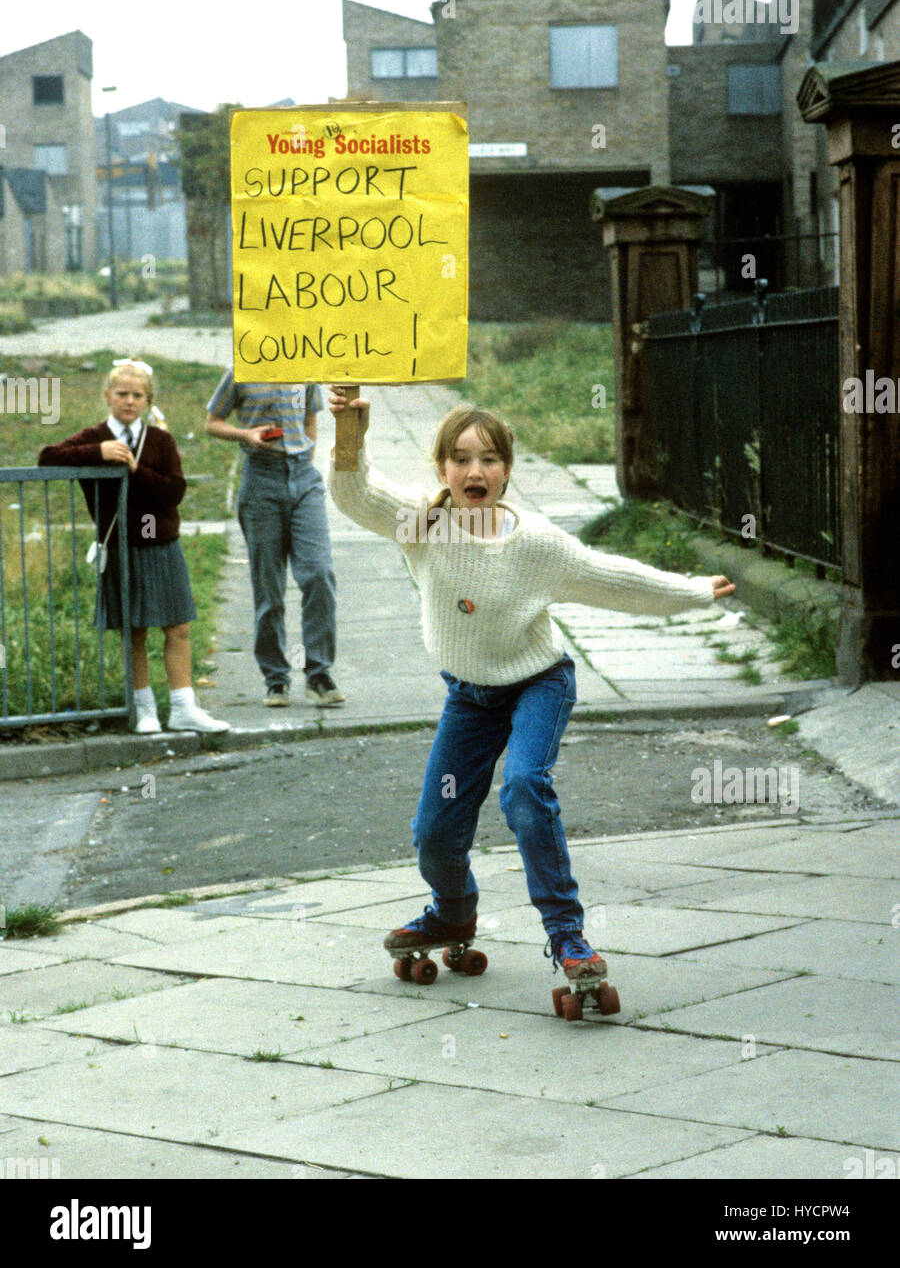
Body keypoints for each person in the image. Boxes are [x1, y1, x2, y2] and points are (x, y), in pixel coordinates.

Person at [327, 386, 736, 987]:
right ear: (441, 467)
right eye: (461, 458)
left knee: (523, 787)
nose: (475, 471)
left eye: (489, 459)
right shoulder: (423, 522)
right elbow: (355, 493)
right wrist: (349, 435)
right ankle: (451, 912)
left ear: (507, 471)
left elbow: (614, 580)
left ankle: (567, 937)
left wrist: (694, 590)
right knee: (434, 835)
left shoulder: (536, 544)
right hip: (469, 696)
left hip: (538, 683)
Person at [39, 359, 229, 735]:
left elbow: (175, 491)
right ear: (108, 396)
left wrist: (136, 472)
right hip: (122, 546)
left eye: (137, 395)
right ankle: (144, 710)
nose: (129, 401)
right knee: (134, 630)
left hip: (159, 542)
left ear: (148, 399)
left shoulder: (160, 440)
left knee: (178, 627)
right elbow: (47, 457)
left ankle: (183, 706)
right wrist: (98, 454)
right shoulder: (94, 437)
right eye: (122, 394)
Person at [204, 373, 343, 708]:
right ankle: (275, 678)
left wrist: (303, 466)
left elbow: (310, 420)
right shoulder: (243, 366)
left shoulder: (302, 362)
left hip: (302, 479)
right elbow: (212, 422)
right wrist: (246, 434)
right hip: (260, 479)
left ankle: (319, 673)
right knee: (269, 589)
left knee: (319, 573)